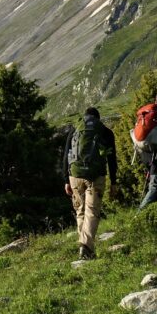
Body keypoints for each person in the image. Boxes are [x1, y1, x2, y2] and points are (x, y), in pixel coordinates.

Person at [62, 107, 118, 260]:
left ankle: (84, 246)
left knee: (80, 210)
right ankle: (86, 247)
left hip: (75, 176)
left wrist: (66, 179)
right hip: (95, 176)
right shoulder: (105, 132)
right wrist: (114, 182)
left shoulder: (75, 129)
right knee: (92, 212)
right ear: (98, 118)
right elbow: (112, 160)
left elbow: (66, 155)